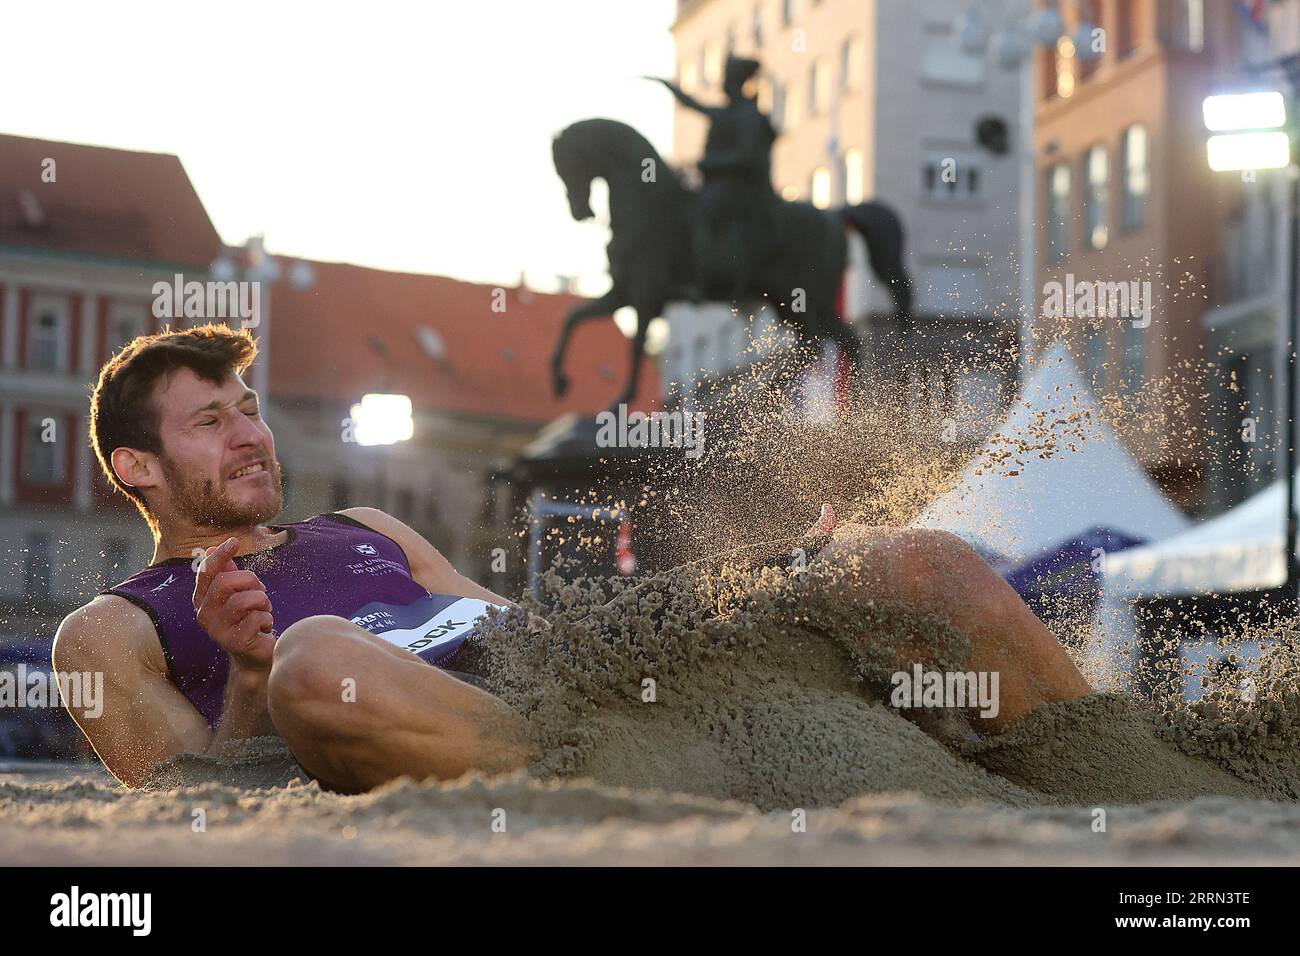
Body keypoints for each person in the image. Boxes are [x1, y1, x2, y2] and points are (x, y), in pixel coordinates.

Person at [54, 324, 1089, 793]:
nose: (250, 433)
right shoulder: (107, 627)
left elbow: (538, 629)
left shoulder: (364, 526)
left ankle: (1118, 760)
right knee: (318, 660)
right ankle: (622, 764)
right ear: (136, 464)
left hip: (577, 682)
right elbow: (192, 803)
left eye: (249, 408)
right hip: (448, 728)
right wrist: (244, 670)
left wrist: (753, 575)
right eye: (208, 420)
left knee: (918, 561)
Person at [648, 55, 777, 301]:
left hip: (738, 188)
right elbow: (694, 105)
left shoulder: (747, 115)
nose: (723, 85)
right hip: (720, 185)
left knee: (703, 212)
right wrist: (667, 86)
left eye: (728, 80)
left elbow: (747, 158)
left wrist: (710, 164)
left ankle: (707, 274)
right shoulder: (729, 112)